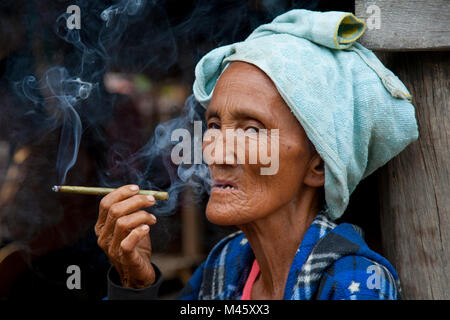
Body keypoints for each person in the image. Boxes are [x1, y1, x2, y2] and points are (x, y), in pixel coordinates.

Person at [95, 9, 418, 300]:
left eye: (251, 130)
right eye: (215, 124)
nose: (217, 152)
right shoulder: (226, 264)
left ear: (318, 165)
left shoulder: (355, 283)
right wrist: (134, 285)